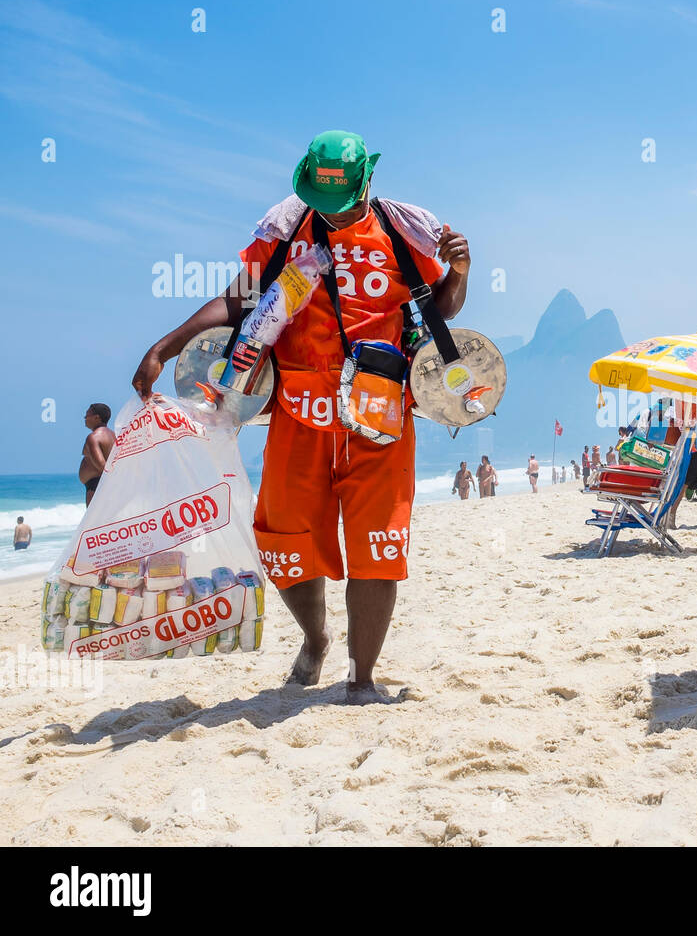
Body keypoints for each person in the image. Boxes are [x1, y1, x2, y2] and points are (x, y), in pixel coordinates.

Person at [130, 130, 471, 704]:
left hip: (380, 417)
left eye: (343, 201)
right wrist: (166, 346)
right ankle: (315, 639)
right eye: (322, 199)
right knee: (284, 544)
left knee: (378, 545)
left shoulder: (401, 228)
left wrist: (458, 274)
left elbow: (437, 311)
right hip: (298, 415)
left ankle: (362, 679)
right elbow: (238, 299)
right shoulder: (287, 229)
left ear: (367, 182)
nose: (332, 213)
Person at [80, 403, 114, 506]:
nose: (85, 417)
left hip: (96, 486)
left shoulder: (94, 437)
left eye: (87, 414)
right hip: (106, 485)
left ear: (96, 417)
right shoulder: (113, 436)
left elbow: (102, 466)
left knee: (94, 522)